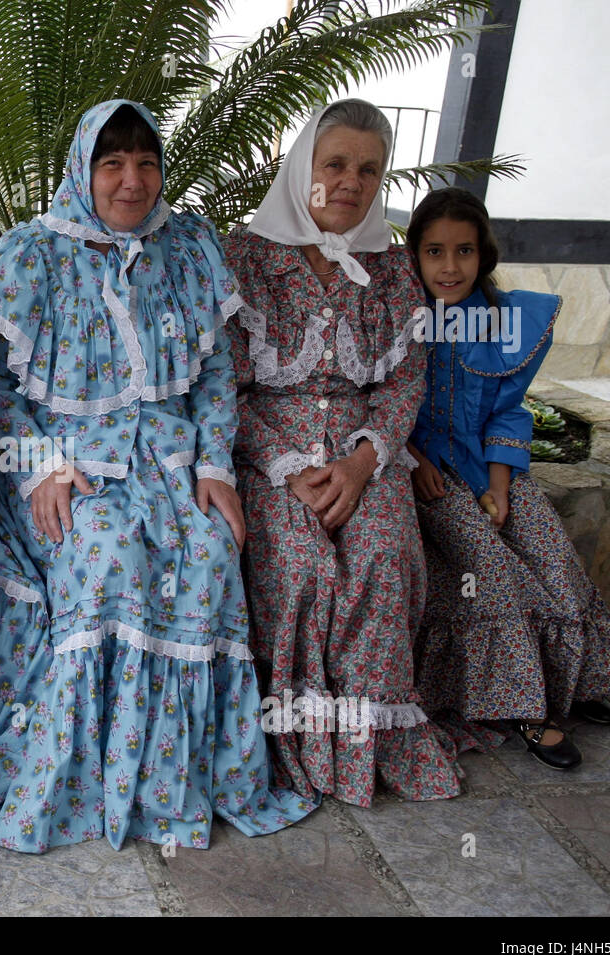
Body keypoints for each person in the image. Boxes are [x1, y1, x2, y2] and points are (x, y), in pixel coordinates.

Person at [0, 100, 314, 854]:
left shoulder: (187, 248)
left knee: (212, 554)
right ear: (84, 169)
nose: (131, 180)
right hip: (67, 466)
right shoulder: (29, 256)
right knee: (106, 555)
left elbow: (215, 368)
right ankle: (86, 785)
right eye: (112, 163)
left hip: (170, 461)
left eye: (146, 162)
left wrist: (215, 465)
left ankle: (179, 782)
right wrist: (40, 466)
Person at [222, 99, 461, 806]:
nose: (350, 183)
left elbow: (406, 379)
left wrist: (362, 464)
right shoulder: (245, 257)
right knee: (300, 566)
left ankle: (365, 747)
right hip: (267, 451)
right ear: (304, 168)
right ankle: (295, 740)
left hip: (367, 450)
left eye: (368, 169)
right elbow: (220, 387)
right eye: (335, 165)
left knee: (384, 556)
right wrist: (289, 470)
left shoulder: (390, 266)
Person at [405, 186, 610, 769]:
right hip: (429, 478)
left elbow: (509, 410)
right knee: (495, 573)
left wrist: (502, 486)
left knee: (552, 554)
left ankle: (568, 683)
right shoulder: (398, 318)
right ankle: (528, 708)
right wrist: (413, 459)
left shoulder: (504, 321)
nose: (450, 266)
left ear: (483, 254)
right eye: (434, 251)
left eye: (464, 251)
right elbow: (377, 401)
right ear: (414, 255)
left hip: (492, 470)